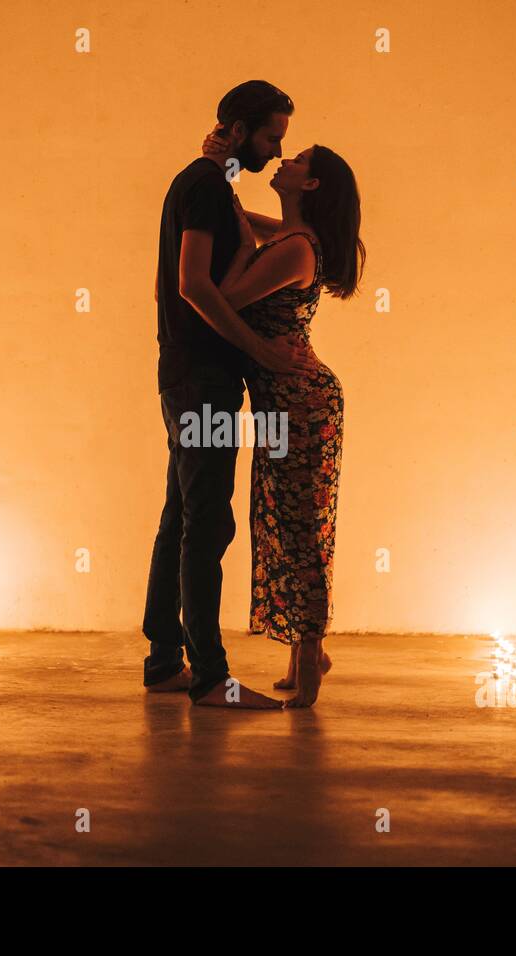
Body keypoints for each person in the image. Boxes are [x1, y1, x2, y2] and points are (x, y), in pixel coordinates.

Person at [141, 80, 313, 709]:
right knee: (207, 520)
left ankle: (163, 662)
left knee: (181, 517)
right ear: (241, 130)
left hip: (190, 373)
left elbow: (181, 281)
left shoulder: (209, 184)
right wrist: (260, 348)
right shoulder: (206, 187)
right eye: (272, 135)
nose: (276, 147)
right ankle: (211, 679)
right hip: (202, 381)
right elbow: (190, 285)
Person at [201, 130, 366, 707]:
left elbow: (228, 294)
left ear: (311, 183)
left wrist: (234, 234)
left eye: (296, 161)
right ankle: (306, 651)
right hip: (284, 402)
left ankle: (311, 656)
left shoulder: (295, 248)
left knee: (301, 531)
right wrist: (215, 172)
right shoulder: (296, 236)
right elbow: (242, 219)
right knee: (279, 524)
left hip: (301, 403)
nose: (283, 159)